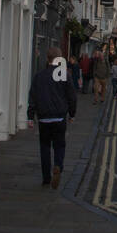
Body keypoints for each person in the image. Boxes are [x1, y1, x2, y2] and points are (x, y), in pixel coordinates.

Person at [28, 46, 77, 189]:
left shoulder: (39, 76)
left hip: (43, 118)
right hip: (59, 118)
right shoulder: (64, 75)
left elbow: (33, 97)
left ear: (47, 59)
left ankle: (46, 178)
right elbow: (72, 97)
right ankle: (58, 166)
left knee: (44, 148)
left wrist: (30, 116)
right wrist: (72, 114)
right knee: (59, 145)